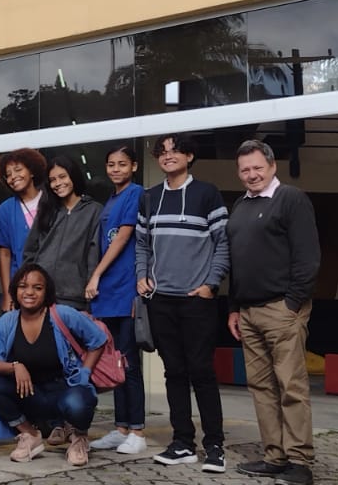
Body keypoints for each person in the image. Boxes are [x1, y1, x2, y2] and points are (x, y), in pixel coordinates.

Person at [226, 140, 320, 485]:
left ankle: (300, 461)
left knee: (291, 386)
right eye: (245, 170)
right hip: (248, 312)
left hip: (282, 309)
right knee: (261, 387)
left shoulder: (291, 199)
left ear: (272, 166)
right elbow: (238, 262)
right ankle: (274, 456)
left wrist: (292, 303)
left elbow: (308, 257)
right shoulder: (240, 205)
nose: (251, 175)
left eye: (257, 168)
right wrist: (234, 308)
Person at [135, 134, 231, 472]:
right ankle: (182, 443)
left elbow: (222, 244)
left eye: (175, 150)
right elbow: (142, 244)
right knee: (173, 372)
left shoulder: (207, 194)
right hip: (161, 300)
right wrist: (141, 275)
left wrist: (211, 284)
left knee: (202, 372)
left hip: (197, 300)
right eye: (162, 151)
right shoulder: (149, 198)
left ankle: (215, 445)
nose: (168, 156)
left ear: (190, 155)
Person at [0, 265, 104, 467]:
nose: (29, 292)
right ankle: (30, 434)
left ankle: (79, 437)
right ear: (15, 290)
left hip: (65, 390)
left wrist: (86, 372)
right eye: (23, 286)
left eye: (37, 287)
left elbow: (98, 340)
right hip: (31, 395)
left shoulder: (62, 314)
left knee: (78, 403)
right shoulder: (7, 321)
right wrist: (15, 367)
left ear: (46, 292)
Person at [87, 145, 147, 455]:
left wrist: (95, 274)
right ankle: (121, 427)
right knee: (115, 363)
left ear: (134, 166)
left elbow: (123, 237)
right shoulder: (110, 199)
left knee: (130, 363)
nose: (116, 169)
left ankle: (137, 430)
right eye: (111, 164)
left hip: (125, 291)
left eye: (122, 164)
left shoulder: (136, 193)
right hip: (107, 297)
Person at [22, 156, 103, 312]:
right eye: (52, 180)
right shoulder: (47, 209)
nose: (58, 184)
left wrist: (89, 294)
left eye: (62, 177)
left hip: (75, 297)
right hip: (42, 296)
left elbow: (94, 253)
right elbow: (30, 251)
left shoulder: (94, 210)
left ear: (73, 176)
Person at [0, 148, 47, 312]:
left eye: (18, 170)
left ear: (31, 171)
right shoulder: (6, 209)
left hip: (53, 283)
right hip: (21, 286)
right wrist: (8, 293)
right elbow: (5, 253)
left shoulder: (52, 201)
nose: (13, 177)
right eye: (8, 174)